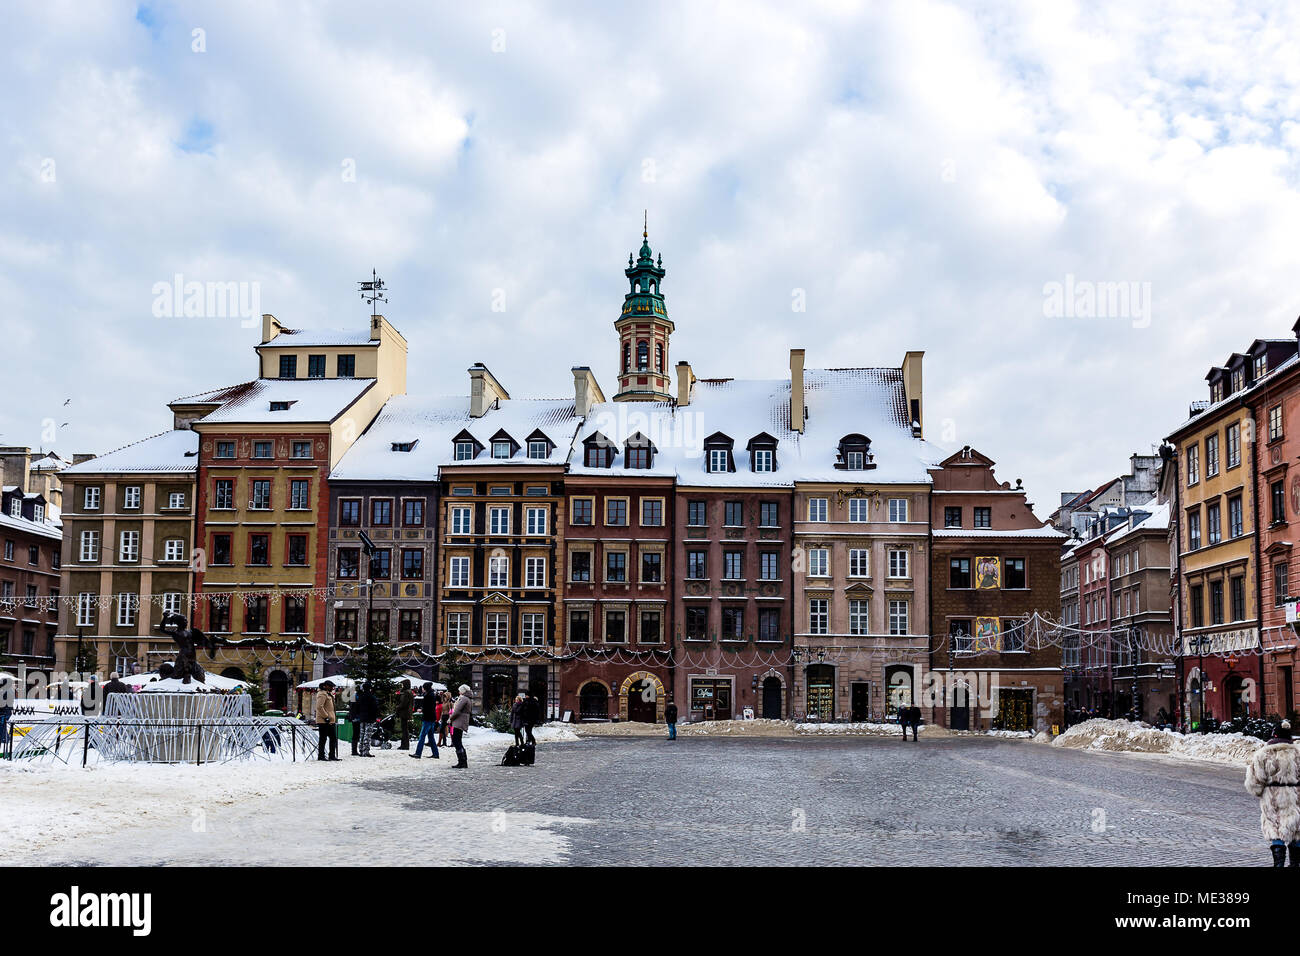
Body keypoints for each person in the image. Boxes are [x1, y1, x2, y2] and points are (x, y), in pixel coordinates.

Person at [1245, 719, 1300, 866]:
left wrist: (1261, 791)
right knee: (1296, 830)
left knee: (1275, 829)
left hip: (1273, 799)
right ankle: (1296, 864)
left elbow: (1254, 783)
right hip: (1296, 798)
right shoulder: (1298, 753)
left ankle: (1278, 864)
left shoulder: (1263, 755)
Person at [412, 682, 440, 759]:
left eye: (423, 688)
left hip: (427, 718)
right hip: (432, 718)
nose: (422, 689)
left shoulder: (428, 696)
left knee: (422, 736)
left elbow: (427, 707)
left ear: (426, 688)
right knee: (431, 737)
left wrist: (421, 710)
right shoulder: (432, 695)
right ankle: (435, 753)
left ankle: (418, 753)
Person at [449, 684, 474, 768]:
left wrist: (450, 719)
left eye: (460, 690)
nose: (459, 692)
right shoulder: (468, 699)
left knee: (456, 741)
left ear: (463, 691)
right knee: (458, 741)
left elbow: (457, 711)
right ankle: (463, 761)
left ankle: (462, 761)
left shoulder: (463, 699)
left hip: (459, 722)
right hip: (462, 721)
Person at [315, 680, 339, 761]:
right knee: (323, 739)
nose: (332, 688)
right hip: (324, 720)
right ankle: (321, 756)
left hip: (330, 720)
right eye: (331, 686)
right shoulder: (322, 693)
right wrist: (326, 716)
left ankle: (331, 755)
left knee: (333, 738)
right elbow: (319, 707)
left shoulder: (328, 694)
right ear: (326, 686)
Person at [354, 682, 379, 757]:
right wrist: (375, 716)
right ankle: (366, 751)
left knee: (362, 734)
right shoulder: (372, 697)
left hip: (362, 718)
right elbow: (375, 708)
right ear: (370, 688)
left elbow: (357, 707)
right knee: (367, 735)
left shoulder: (360, 696)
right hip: (370, 718)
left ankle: (361, 750)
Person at [395, 680, 413, 750]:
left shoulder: (406, 692)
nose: (401, 686)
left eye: (402, 684)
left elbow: (403, 703)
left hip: (404, 713)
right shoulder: (409, 691)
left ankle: (405, 745)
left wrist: (397, 707)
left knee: (404, 730)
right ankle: (404, 745)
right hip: (407, 713)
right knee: (405, 729)